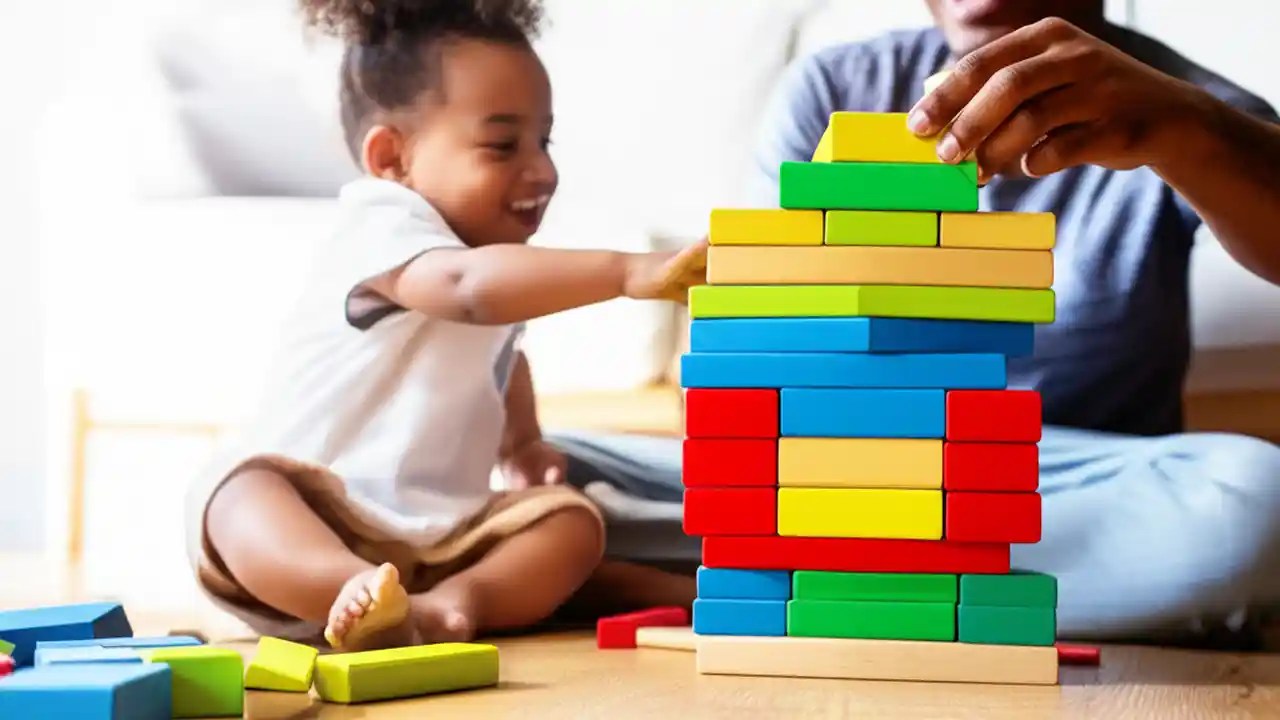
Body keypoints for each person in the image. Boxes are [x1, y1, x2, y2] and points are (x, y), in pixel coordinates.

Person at [553, 1, 1280, 646]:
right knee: (535, 456)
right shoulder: (836, 88)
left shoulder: (1188, 111)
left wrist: (1188, 130)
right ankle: (602, 547)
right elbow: (762, 355)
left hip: (1059, 481)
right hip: (842, 468)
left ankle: (713, 580)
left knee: (1256, 504)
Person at [183, 0, 705, 651]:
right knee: (240, 493)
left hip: (441, 540)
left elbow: (502, 358)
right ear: (391, 160)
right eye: (502, 144)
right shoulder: (384, 227)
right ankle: (352, 591)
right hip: (322, 517)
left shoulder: (482, 267)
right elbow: (469, 293)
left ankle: (458, 603)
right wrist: (626, 272)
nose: (541, 170)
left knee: (573, 523)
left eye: (544, 141)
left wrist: (522, 446)